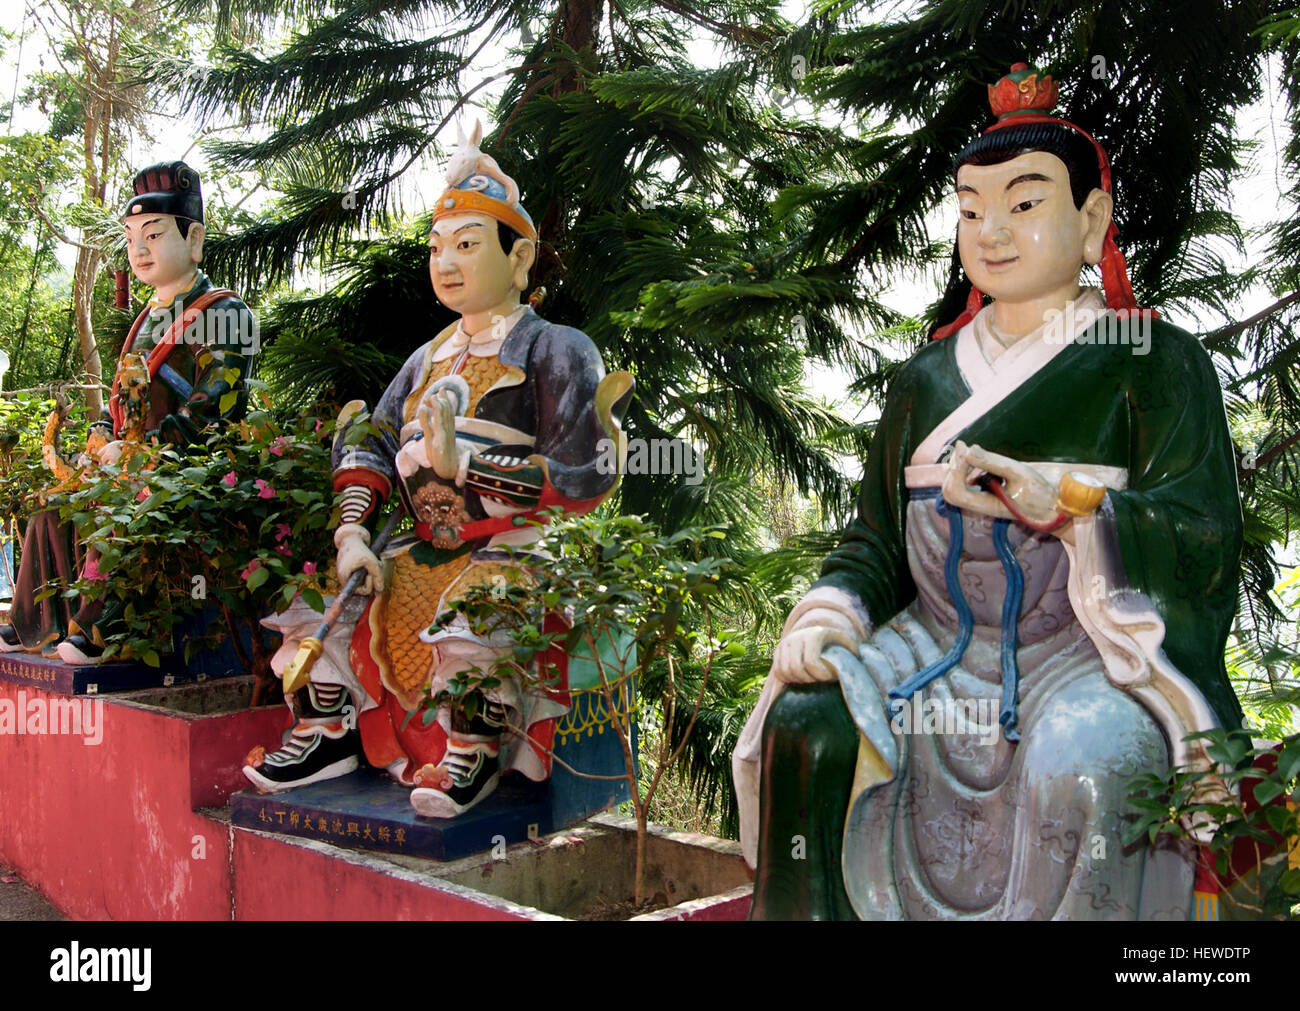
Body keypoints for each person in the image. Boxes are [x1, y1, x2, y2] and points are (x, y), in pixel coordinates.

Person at [732, 64, 1243, 920]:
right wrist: (830, 614)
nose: (992, 231)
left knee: (1086, 760)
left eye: (1025, 203)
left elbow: (1202, 538)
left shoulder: (1154, 362)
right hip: (933, 652)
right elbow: (874, 543)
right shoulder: (926, 378)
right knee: (806, 725)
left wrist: (1073, 505)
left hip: (1086, 659)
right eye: (971, 210)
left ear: (1092, 220)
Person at [244, 124, 634, 818]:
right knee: (318, 602)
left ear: (519, 259)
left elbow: (586, 464)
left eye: (466, 243)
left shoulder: (557, 349)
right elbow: (370, 439)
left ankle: (474, 746)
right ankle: (328, 729)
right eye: (436, 247)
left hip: (515, 536)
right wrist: (353, 535)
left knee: (478, 612)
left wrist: (479, 472)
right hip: (418, 539)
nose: (446, 262)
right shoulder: (425, 360)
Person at [0, 161, 254, 664]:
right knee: (52, 505)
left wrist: (149, 448)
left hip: (188, 466)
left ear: (195, 239)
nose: (138, 249)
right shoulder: (145, 319)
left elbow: (218, 405)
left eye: (154, 235)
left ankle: (96, 630)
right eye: (132, 236)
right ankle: (35, 622)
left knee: (124, 506)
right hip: (125, 456)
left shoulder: (227, 313)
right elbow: (122, 400)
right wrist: (100, 436)